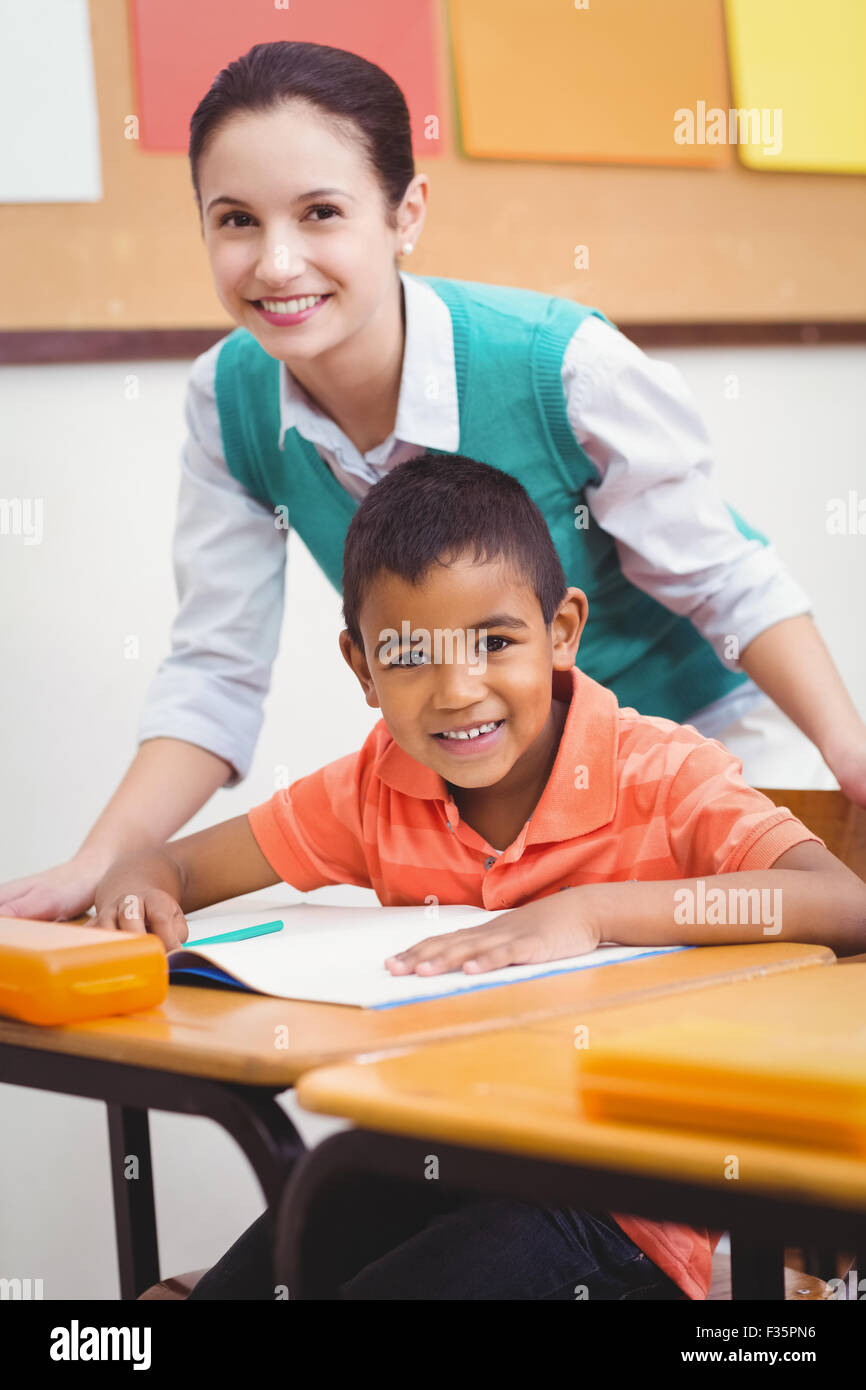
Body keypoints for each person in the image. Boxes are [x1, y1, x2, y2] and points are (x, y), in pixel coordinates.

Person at [5, 39, 865, 925]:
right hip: (480, 782)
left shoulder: (561, 365)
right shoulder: (226, 401)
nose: (276, 263)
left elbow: (726, 582)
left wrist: (848, 750)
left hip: (689, 756)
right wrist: (106, 861)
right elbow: (215, 666)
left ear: (405, 212)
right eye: (235, 220)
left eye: (321, 212)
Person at [91, 455, 866, 1300]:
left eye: (495, 642)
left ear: (563, 630)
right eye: (410, 655)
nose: (459, 691)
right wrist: (138, 884)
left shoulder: (663, 774)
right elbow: (169, 864)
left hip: (620, 1205)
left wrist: (593, 911)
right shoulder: (372, 788)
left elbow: (844, 903)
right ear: (361, 668)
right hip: (428, 1154)